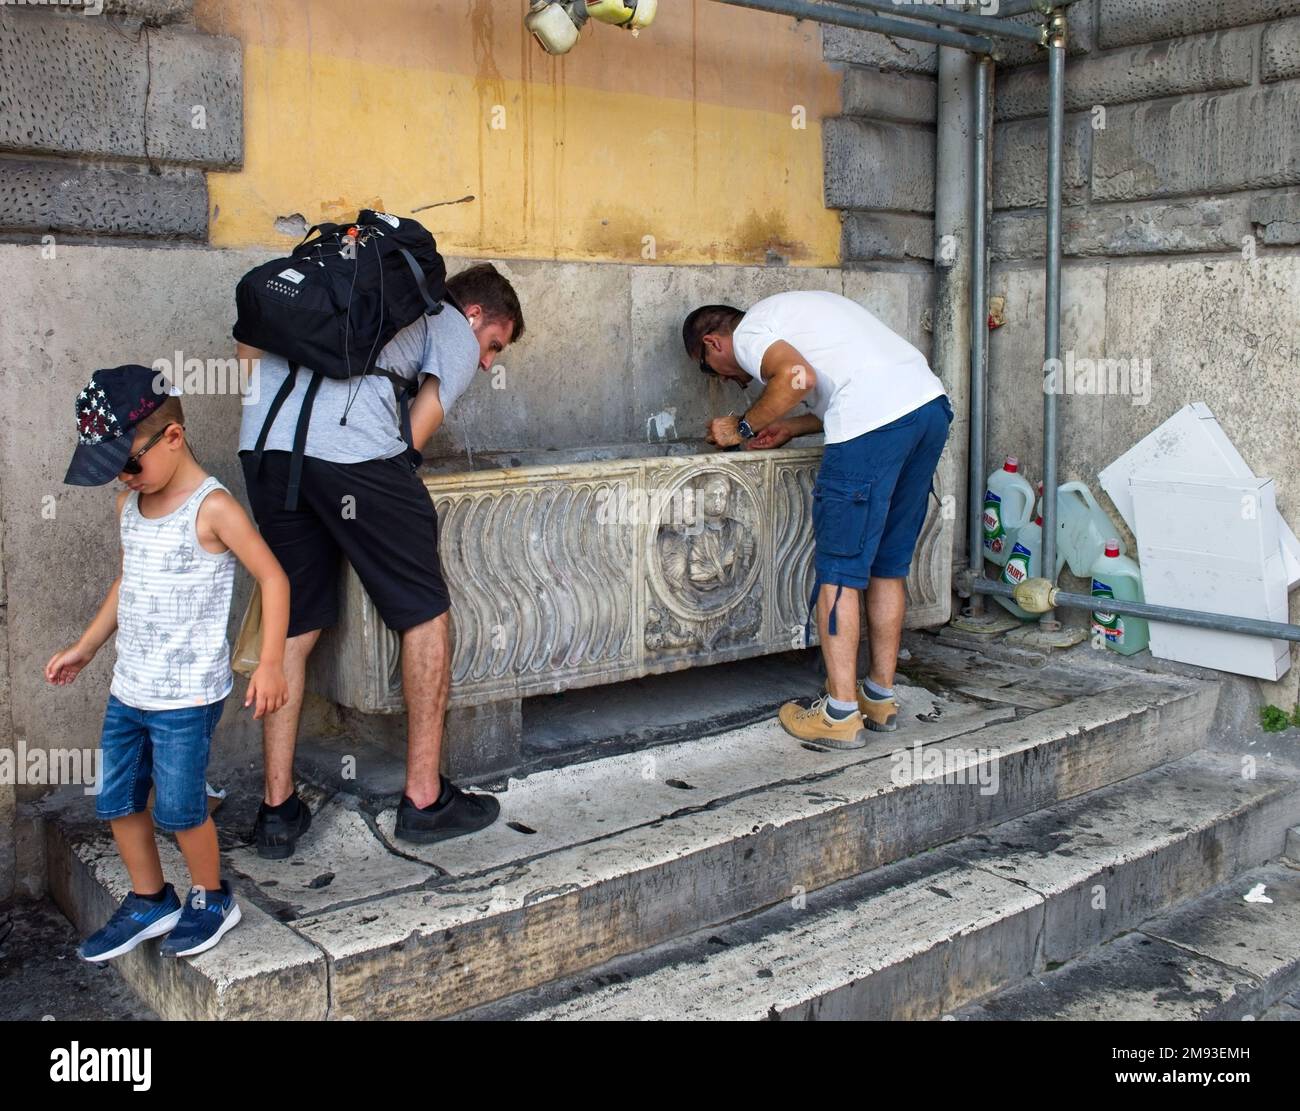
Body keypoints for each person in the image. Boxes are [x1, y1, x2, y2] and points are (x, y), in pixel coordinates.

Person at [236, 263, 525, 854]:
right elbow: (420, 428)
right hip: (349, 455)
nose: (489, 361)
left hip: (265, 448)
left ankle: (277, 809)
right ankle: (423, 798)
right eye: (494, 343)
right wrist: (387, 482)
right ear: (474, 314)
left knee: (296, 618)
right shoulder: (445, 321)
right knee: (423, 610)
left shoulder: (343, 302)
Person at [47, 366, 290, 961]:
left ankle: (211, 896)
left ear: (173, 438)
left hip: (186, 694)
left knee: (181, 808)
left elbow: (273, 576)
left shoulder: (213, 508)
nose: (121, 480)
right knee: (119, 799)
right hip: (131, 686)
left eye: (127, 464)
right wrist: (86, 645)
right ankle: (150, 898)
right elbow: (127, 583)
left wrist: (272, 663)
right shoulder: (131, 506)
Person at [682, 290, 952, 749]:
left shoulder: (748, 334)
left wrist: (740, 427)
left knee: (840, 571)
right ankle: (879, 698)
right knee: (888, 564)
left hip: (874, 424)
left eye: (712, 372)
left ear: (713, 343)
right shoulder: (798, 314)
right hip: (928, 409)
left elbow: (795, 378)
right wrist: (789, 426)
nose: (731, 381)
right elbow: (836, 384)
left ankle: (839, 715)